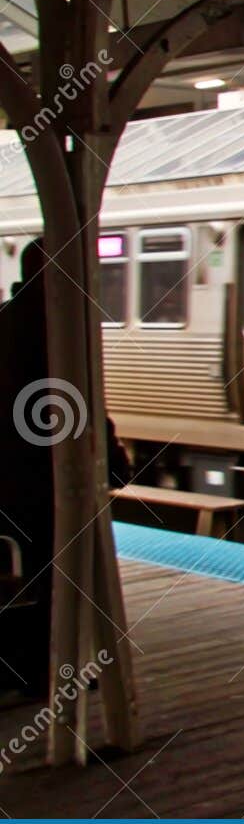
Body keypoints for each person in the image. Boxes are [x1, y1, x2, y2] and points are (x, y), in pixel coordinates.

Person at [0, 240, 129, 698]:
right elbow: (85, 403)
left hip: (11, 480)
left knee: (33, 574)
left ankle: (32, 666)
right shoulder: (61, 329)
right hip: (51, 479)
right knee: (60, 575)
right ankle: (51, 669)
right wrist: (113, 460)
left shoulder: (7, 319)